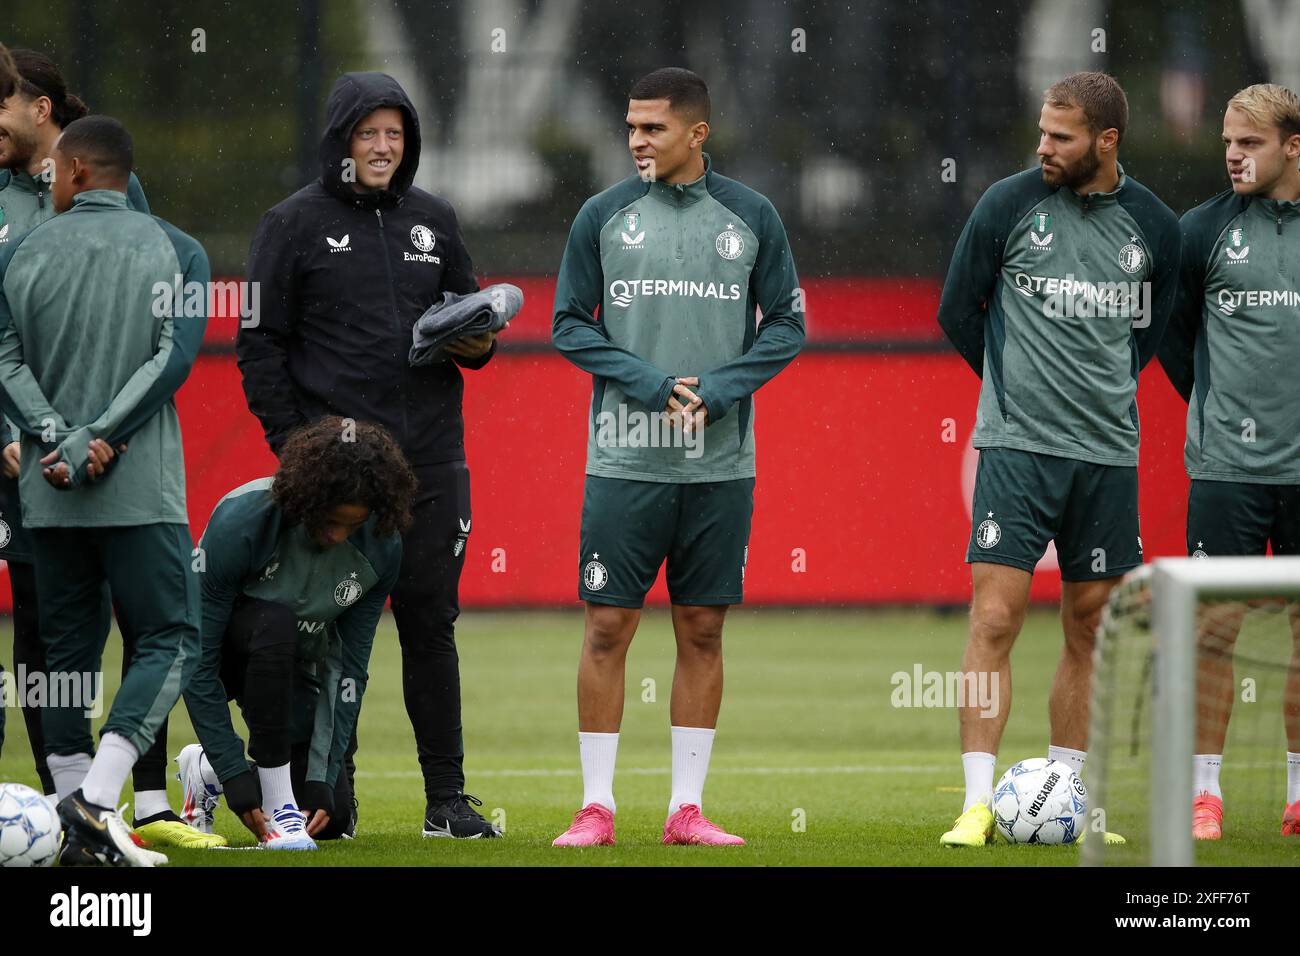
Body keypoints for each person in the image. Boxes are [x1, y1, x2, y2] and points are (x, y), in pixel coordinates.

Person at [237, 71, 502, 838]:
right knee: (321, 636)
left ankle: (446, 803)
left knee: (430, 627)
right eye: (368, 133)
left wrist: (478, 341)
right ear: (341, 139)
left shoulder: (435, 220)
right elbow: (258, 343)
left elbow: (472, 328)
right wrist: (297, 452)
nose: (383, 147)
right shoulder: (290, 224)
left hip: (431, 462)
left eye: (395, 134)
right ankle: (330, 794)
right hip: (340, 474)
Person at [550, 67, 804, 847]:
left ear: (698, 134)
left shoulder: (752, 215)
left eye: (652, 128)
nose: (636, 141)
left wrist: (722, 389)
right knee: (606, 628)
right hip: (624, 463)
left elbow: (787, 325)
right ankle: (597, 808)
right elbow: (569, 323)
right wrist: (651, 385)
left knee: (702, 630)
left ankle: (684, 811)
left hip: (720, 467)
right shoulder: (602, 215)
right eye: (630, 126)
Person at [935, 71, 1180, 847]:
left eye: (1061, 137)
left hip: (1106, 455)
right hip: (1015, 449)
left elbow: (1150, 332)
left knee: (1090, 622)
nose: (1043, 147)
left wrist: (1093, 391)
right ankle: (977, 803)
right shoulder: (1007, 205)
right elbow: (956, 311)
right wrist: (1017, 389)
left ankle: (1067, 797)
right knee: (996, 617)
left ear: (1106, 142)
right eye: (1042, 131)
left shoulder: (1155, 227)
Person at [0, 48, 201, 849]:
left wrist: (52, 436)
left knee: (62, 657)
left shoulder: (20, 256)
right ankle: (102, 800)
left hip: (48, 492)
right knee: (168, 636)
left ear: (76, 170)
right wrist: (99, 438)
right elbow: (172, 359)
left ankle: (76, 812)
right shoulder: (177, 250)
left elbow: (6, 360)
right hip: (136, 488)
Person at [1157, 83, 1300, 840]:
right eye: (1227, 145)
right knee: (1214, 632)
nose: (1234, 158)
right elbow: (1174, 339)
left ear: (1293, 147)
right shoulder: (1200, 231)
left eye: (1250, 144)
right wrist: (1217, 411)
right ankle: (1203, 794)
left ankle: (1299, 796)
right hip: (1226, 471)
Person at [180, 418, 413, 849]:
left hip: (293, 672)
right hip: (234, 657)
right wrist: (236, 767)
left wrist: (324, 776)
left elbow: (347, 671)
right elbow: (196, 655)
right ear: (307, 499)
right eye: (330, 520)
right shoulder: (243, 521)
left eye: (352, 524)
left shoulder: (383, 547)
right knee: (275, 622)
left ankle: (204, 772)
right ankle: (274, 799)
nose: (337, 535)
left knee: (333, 815)